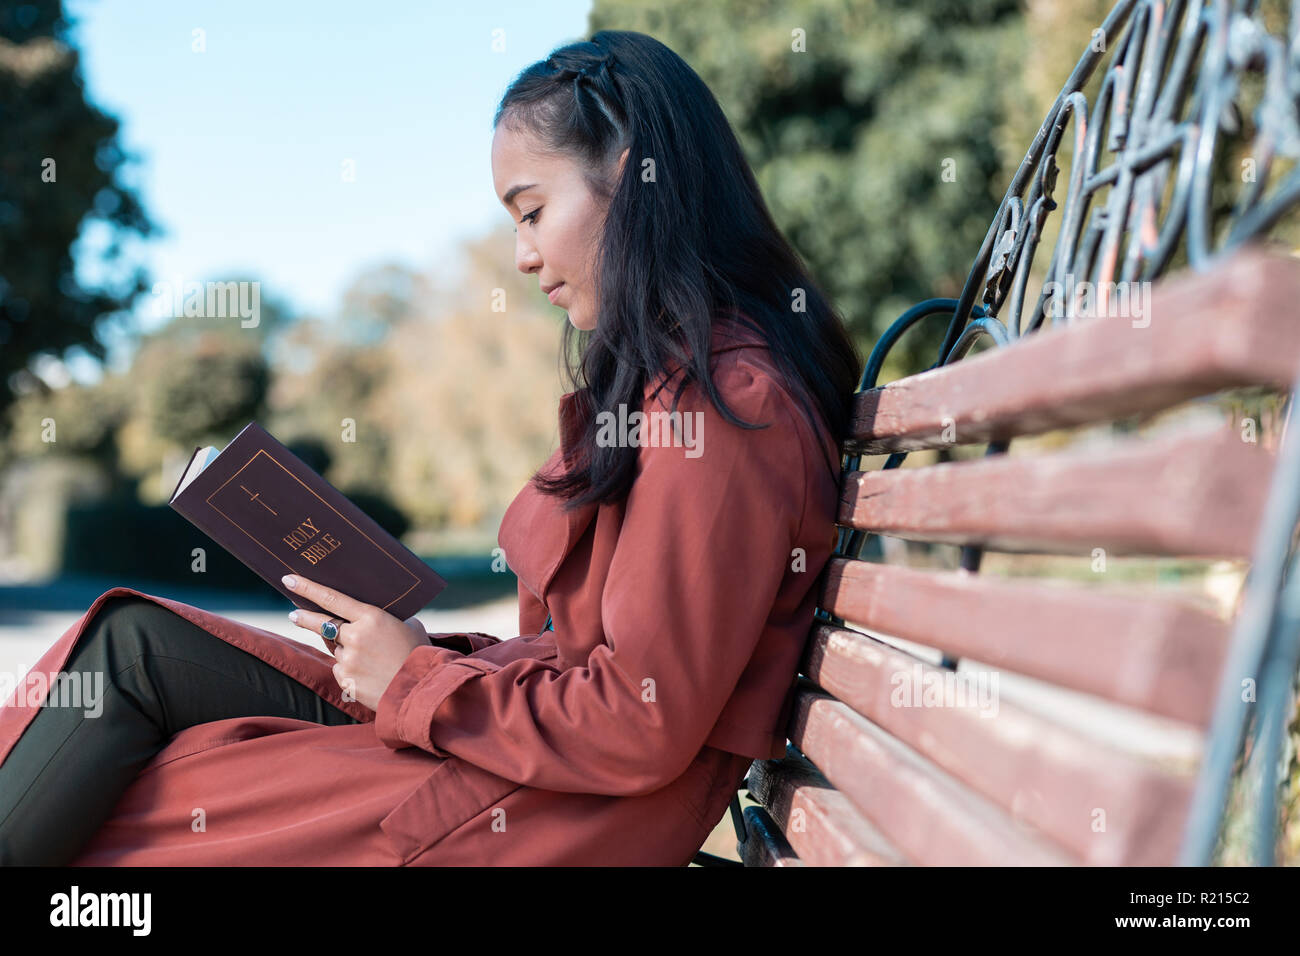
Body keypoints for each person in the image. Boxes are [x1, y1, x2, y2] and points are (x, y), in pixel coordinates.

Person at [0, 29, 861, 866]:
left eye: (532, 211)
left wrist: (417, 680)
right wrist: (417, 657)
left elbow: (638, 721)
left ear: (639, 182)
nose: (523, 257)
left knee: (127, 678)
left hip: (538, 809)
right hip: (517, 760)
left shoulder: (722, 412)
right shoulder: (684, 390)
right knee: (135, 641)